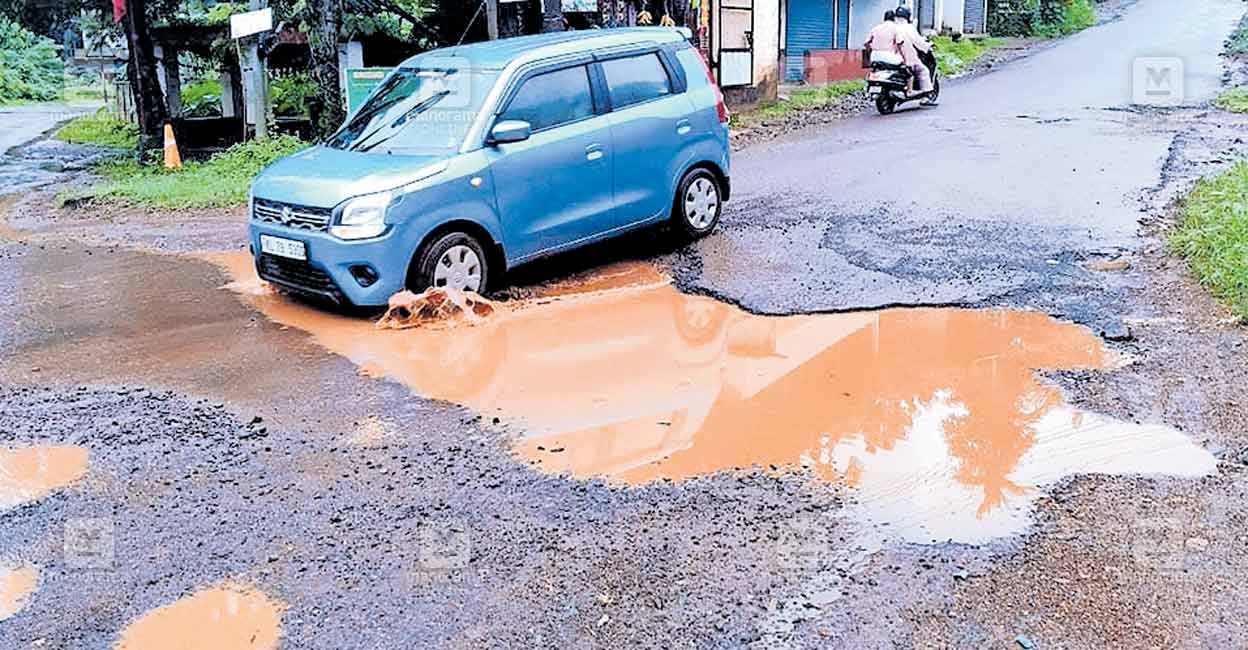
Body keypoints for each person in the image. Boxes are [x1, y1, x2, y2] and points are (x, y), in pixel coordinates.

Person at [894, 6, 935, 97]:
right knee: (923, 70)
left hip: (891, 57)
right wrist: (927, 46)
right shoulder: (908, 28)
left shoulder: (893, 27)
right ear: (907, 16)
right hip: (906, 57)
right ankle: (926, 94)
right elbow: (918, 41)